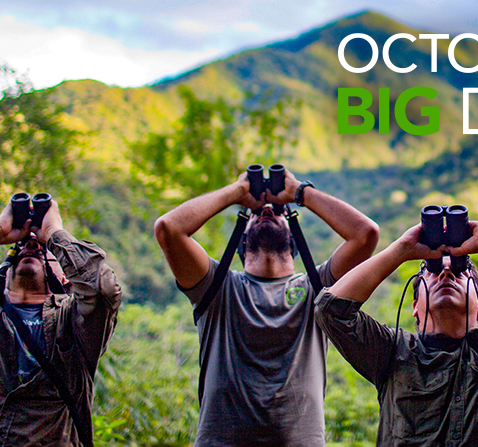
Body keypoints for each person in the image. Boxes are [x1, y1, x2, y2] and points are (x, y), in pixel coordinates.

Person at [154, 169, 379, 446]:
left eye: (280, 212)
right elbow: (168, 229)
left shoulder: (316, 289)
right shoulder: (216, 288)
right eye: (256, 213)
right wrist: (238, 192)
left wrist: (298, 192)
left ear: (294, 238)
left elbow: (366, 234)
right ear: (242, 237)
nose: (268, 212)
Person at [314, 219, 478, 446]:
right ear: (415, 307)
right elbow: (330, 309)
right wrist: (402, 249)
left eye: (461, 272)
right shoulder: (392, 352)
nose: (446, 273)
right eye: (434, 271)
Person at [0, 198, 121, 446]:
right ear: (3, 271)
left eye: (43, 252)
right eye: (18, 248)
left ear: (65, 278)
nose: (30, 246)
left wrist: (53, 233)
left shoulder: (74, 323)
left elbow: (103, 289)